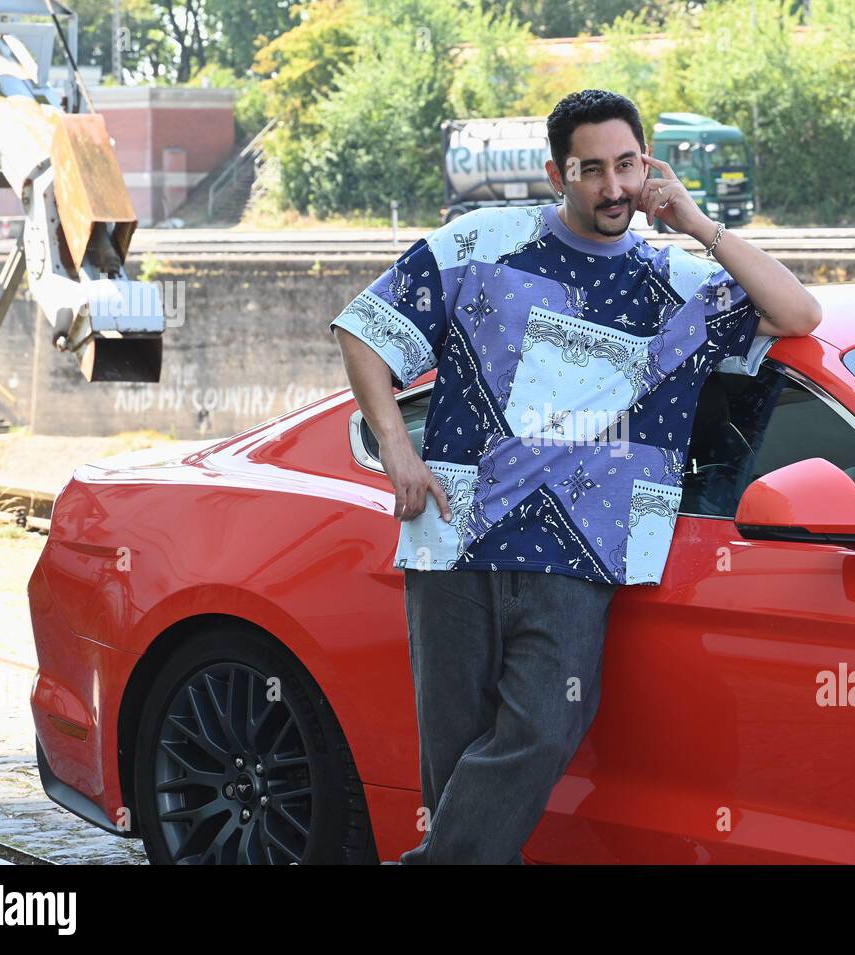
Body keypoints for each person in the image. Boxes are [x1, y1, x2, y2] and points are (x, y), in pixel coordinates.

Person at [330, 89, 822, 864]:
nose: (613, 187)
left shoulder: (676, 282)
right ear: (558, 173)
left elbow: (799, 315)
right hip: (451, 533)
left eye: (627, 165)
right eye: (592, 170)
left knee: (545, 726)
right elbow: (365, 326)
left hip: (580, 548)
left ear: (648, 165)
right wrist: (395, 445)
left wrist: (698, 224)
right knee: (453, 759)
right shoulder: (483, 242)